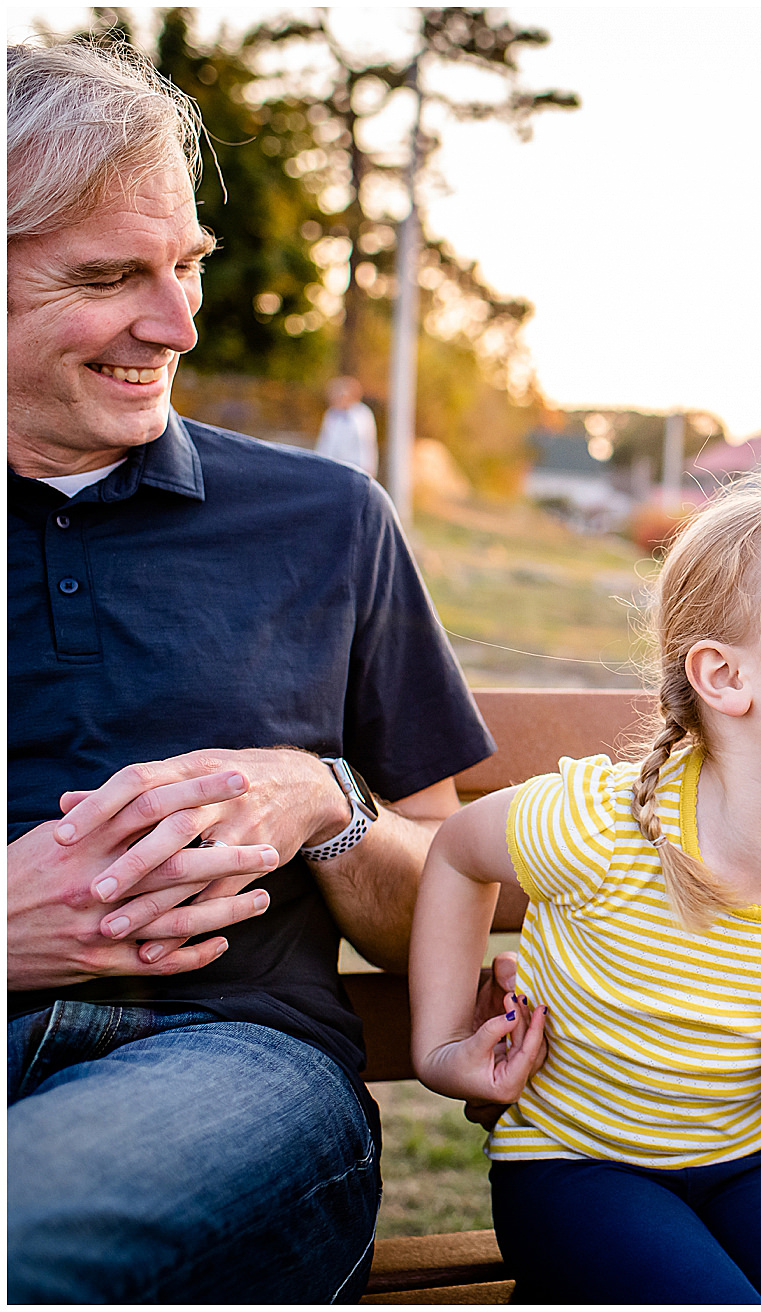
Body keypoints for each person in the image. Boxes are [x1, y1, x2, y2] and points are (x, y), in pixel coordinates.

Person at [6, 38, 495, 1302]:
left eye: (188, 266)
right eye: (111, 276)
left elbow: (437, 890)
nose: (177, 325)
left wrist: (328, 801)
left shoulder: (326, 520)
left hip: (228, 1064)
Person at [409, 465, 761, 1303]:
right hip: (574, 1166)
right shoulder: (601, 826)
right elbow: (458, 853)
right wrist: (438, 1047)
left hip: (754, 1164)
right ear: (726, 678)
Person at [315, 374, 379, 476]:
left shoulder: (362, 414)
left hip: (355, 466)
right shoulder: (331, 414)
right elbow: (325, 442)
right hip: (334, 465)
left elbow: (366, 444)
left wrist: (368, 469)